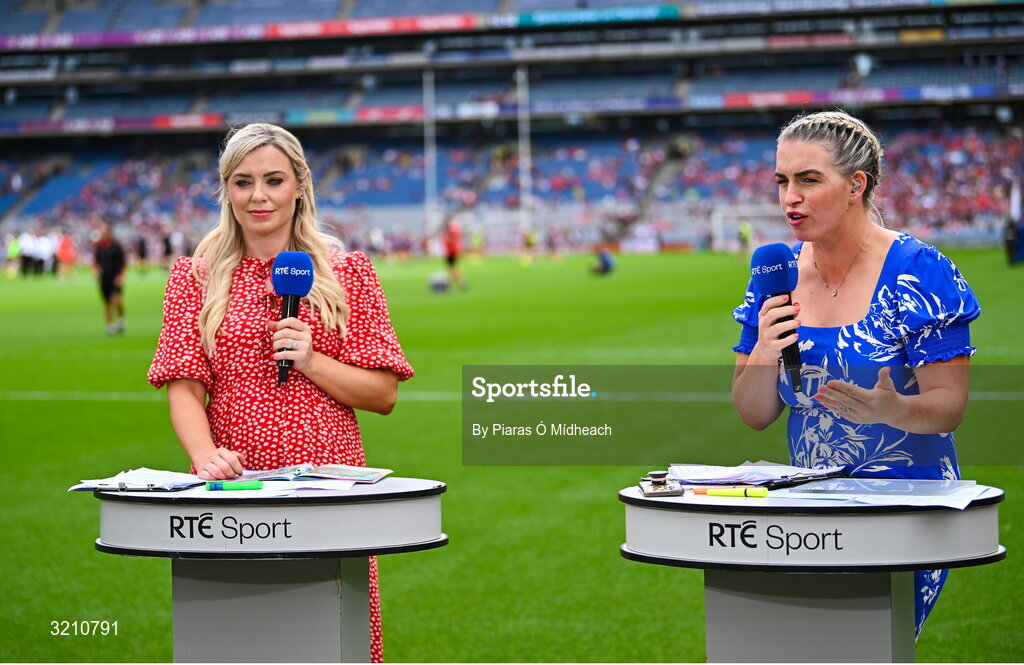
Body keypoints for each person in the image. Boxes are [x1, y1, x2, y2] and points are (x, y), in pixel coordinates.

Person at [147, 123, 413, 663]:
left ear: (299, 186)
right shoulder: (194, 277)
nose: (259, 196)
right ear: (226, 191)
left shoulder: (346, 273)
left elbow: (383, 393)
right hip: (237, 484)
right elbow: (183, 386)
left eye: (273, 179)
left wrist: (311, 360)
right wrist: (204, 456)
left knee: (333, 638)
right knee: (238, 635)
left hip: (330, 486)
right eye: (243, 182)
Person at [730, 110, 980, 637]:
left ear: (855, 185)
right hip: (813, 514)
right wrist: (766, 348)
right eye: (782, 181)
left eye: (808, 179)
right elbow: (754, 414)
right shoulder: (773, 279)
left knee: (865, 645)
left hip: (907, 510)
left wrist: (894, 408)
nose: (788, 197)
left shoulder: (919, 272)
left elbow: (948, 405)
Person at [94, 223, 126, 335]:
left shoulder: (116, 246)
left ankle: (121, 320)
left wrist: (120, 276)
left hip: (115, 276)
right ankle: (110, 325)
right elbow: (96, 261)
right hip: (105, 278)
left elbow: (122, 262)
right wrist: (96, 271)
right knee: (107, 303)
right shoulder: (99, 247)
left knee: (117, 301)